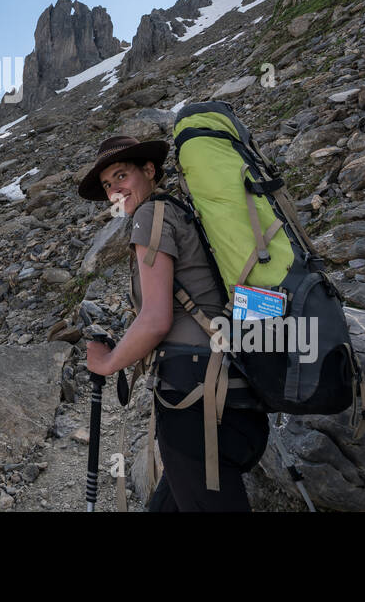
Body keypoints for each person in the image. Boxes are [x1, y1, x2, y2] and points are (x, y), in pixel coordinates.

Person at [77, 134, 270, 511]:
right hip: (236, 397)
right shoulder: (183, 213)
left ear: (149, 170)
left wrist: (107, 362)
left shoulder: (150, 216)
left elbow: (155, 319)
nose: (114, 190)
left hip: (194, 401)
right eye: (106, 185)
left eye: (121, 176)